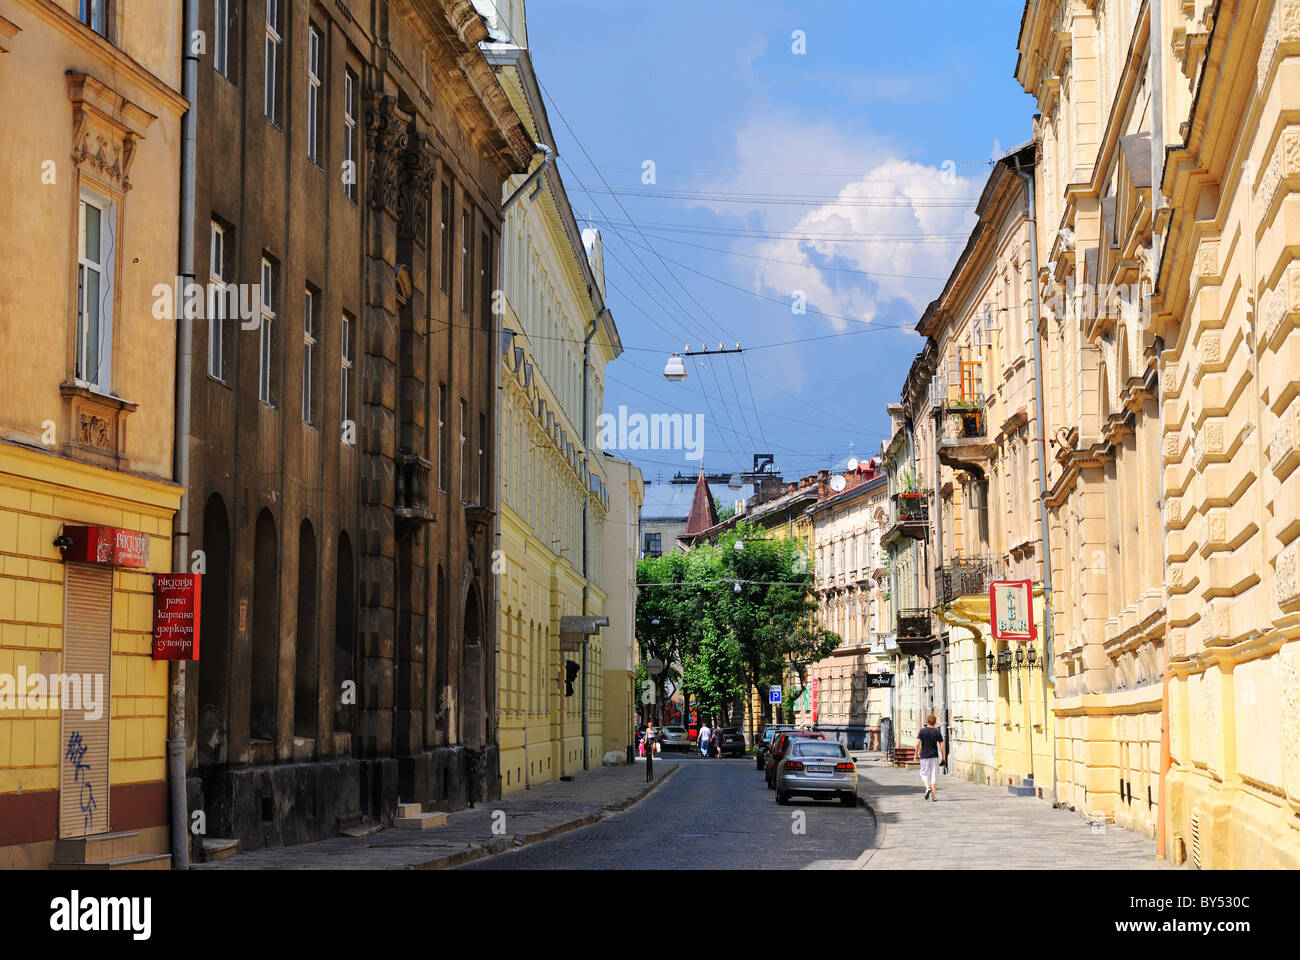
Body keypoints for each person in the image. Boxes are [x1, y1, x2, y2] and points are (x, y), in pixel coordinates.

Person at [915, 713, 945, 801]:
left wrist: (916, 754)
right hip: (934, 756)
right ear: (934, 722)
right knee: (934, 775)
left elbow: (917, 744)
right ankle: (934, 796)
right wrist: (943, 757)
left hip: (924, 756)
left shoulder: (922, 731)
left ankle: (927, 787)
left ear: (927, 721)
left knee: (924, 774)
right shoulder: (937, 732)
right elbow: (942, 745)